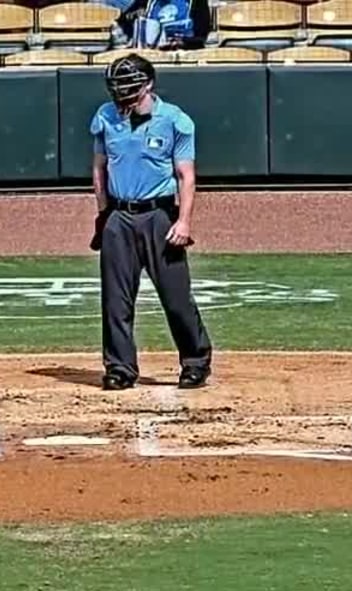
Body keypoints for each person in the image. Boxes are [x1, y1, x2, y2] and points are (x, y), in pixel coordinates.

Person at [88, 54, 213, 391]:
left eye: (128, 85)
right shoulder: (105, 117)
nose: (121, 93)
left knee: (176, 297)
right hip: (119, 216)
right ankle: (119, 368)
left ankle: (196, 361)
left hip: (159, 216)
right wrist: (103, 215)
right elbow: (99, 168)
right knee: (115, 299)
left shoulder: (175, 121)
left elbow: (186, 176)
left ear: (148, 85)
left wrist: (184, 222)